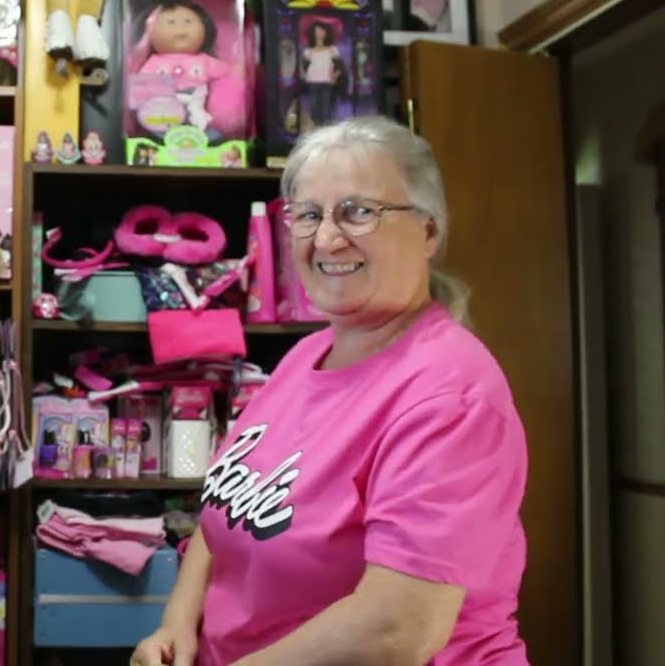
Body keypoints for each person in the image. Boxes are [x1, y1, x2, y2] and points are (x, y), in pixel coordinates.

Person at [132, 115, 529, 666]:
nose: (325, 238)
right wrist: (176, 625)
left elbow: (396, 629)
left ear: (429, 231)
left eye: (358, 212)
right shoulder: (307, 355)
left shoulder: (450, 395)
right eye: (308, 214)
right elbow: (233, 509)